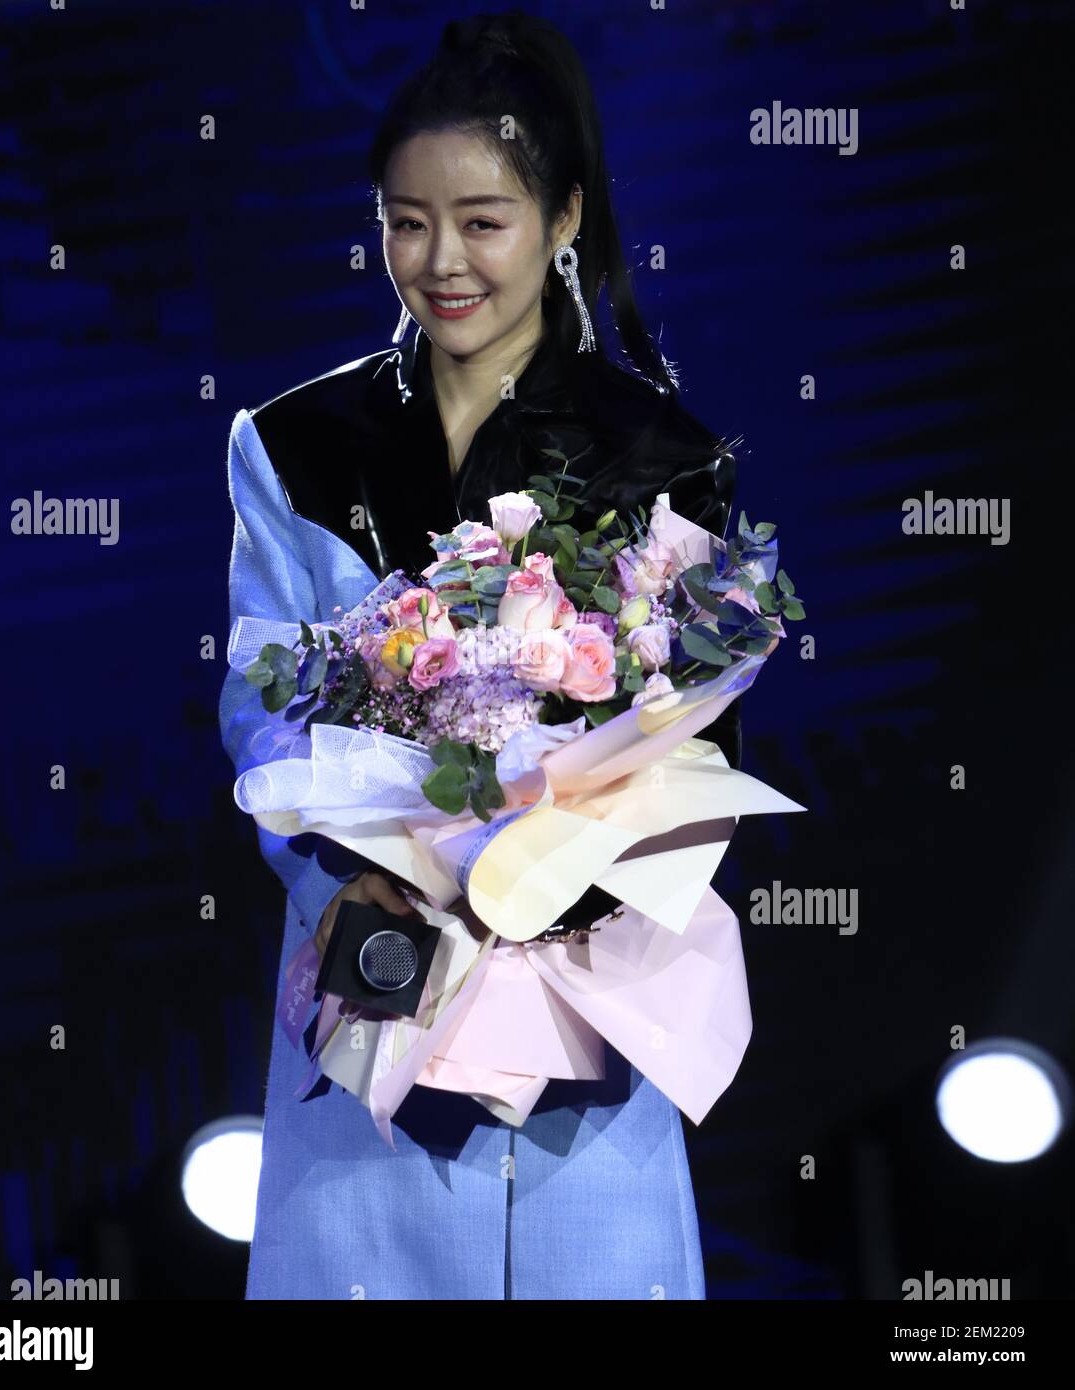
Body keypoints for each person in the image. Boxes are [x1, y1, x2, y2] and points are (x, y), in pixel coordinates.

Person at [219, 10, 744, 1300]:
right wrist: (354, 874)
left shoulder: (659, 453)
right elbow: (260, 703)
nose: (441, 259)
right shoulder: (296, 445)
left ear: (565, 219)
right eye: (406, 221)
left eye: (483, 220)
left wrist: (552, 876)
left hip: (581, 1015)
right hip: (372, 987)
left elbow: (702, 733)